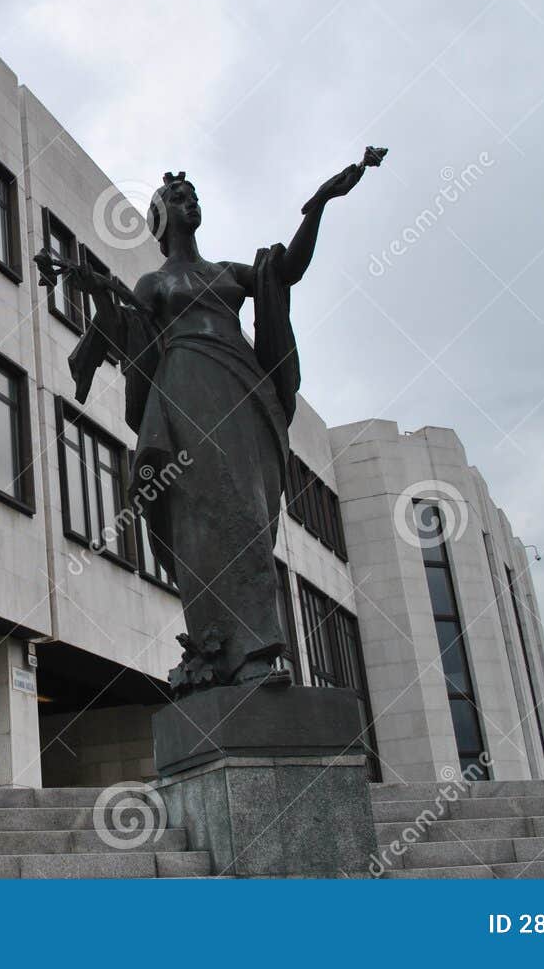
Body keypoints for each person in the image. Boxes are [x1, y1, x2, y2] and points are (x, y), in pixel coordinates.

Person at [50, 148, 384, 692]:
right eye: (178, 197)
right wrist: (91, 290)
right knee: (206, 517)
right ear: (161, 219)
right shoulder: (154, 286)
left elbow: (287, 272)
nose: (189, 200)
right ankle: (234, 652)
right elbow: (129, 335)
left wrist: (319, 203)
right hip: (185, 399)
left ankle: (255, 651)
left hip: (243, 393)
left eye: (193, 194)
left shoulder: (228, 271)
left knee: (251, 516)